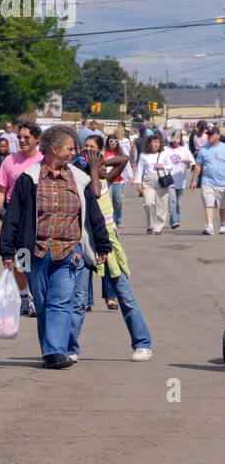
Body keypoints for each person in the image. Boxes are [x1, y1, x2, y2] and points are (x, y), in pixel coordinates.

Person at [0, 125, 110, 369]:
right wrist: (7, 251)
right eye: (70, 148)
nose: (74, 153)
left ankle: (54, 352)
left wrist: (103, 245)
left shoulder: (78, 179)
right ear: (54, 149)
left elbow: (93, 215)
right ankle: (51, 349)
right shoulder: (29, 179)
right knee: (42, 303)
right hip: (33, 252)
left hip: (69, 252)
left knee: (60, 302)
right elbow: (13, 216)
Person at [72, 134, 153, 361]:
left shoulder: (104, 180)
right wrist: (92, 168)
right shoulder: (79, 182)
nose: (88, 152)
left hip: (109, 244)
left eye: (93, 149)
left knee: (125, 296)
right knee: (79, 301)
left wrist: (99, 164)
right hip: (86, 243)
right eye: (85, 149)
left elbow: (124, 160)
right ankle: (70, 347)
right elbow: (93, 192)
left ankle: (142, 343)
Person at [0, 120, 43, 318]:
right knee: (21, 263)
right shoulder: (10, 161)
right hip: (16, 218)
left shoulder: (43, 160)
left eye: (26, 137)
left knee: (36, 262)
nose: (21, 140)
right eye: (19, 137)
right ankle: (24, 296)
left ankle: (37, 299)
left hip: (39, 217)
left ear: (37, 139)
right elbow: (1, 191)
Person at [133, 132, 172, 235]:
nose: (156, 144)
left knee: (162, 204)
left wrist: (162, 166)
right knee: (149, 203)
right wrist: (138, 183)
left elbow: (170, 166)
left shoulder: (164, 153)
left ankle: (159, 227)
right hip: (148, 180)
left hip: (161, 179)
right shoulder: (143, 155)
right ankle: (150, 225)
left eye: (158, 143)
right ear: (149, 144)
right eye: (154, 142)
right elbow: (139, 169)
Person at [189, 125, 225, 234]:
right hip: (207, 182)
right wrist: (194, 180)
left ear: (218, 135)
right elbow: (198, 165)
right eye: (208, 134)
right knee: (208, 204)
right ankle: (209, 225)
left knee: (223, 205)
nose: (209, 136)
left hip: (222, 182)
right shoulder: (203, 149)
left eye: (212, 134)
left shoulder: (224, 147)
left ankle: (223, 224)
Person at [165, 129, 193, 229]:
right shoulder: (165, 149)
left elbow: (190, 163)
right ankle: (175, 221)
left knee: (178, 203)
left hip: (181, 180)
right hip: (169, 180)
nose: (175, 141)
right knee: (172, 201)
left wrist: (184, 161)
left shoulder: (184, 149)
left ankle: (174, 219)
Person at [104, 135, 128, 229]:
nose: (113, 143)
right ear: (107, 142)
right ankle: (111, 220)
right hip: (108, 180)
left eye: (115, 141)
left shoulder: (121, 152)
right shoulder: (104, 153)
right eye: (111, 141)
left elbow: (127, 164)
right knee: (109, 200)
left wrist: (130, 176)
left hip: (119, 180)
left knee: (117, 201)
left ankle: (119, 218)